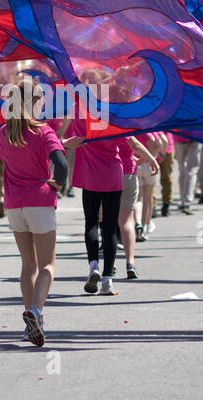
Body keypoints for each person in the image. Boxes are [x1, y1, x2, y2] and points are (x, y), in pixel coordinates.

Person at [0, 75, 67, 347]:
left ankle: (30, 323)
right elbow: (60, 163)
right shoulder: (44, 131)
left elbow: (9, 159)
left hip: (15, 204)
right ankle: (36, 310)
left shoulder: (3, 132)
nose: (44, 103)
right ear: (33, 102)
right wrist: (59, 183)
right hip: (40, 201)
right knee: (48, 264)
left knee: (27, 264)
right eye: (41, 99)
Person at [62, 117, 124, 295]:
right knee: (110, 227)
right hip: (113, 174)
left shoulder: (81, 118)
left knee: (91, 222)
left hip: (91, 176)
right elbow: (129, 139)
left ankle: (93, 265)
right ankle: (107, 281)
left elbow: (75, 140)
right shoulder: (114, 115)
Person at [117, 135, 158, 280]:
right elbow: (137, 144)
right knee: (127, 221)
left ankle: (107, 267)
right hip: (128, 171)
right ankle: (130, 263)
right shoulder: (124, 124)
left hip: (107, 172)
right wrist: (152, 159)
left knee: (109, 220)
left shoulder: (99, 125)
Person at [173, 132, 201, 215]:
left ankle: (184, 201)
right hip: (193, 136)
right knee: (191, 171)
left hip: (179, 136)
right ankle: (186, 202)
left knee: (183, 170)